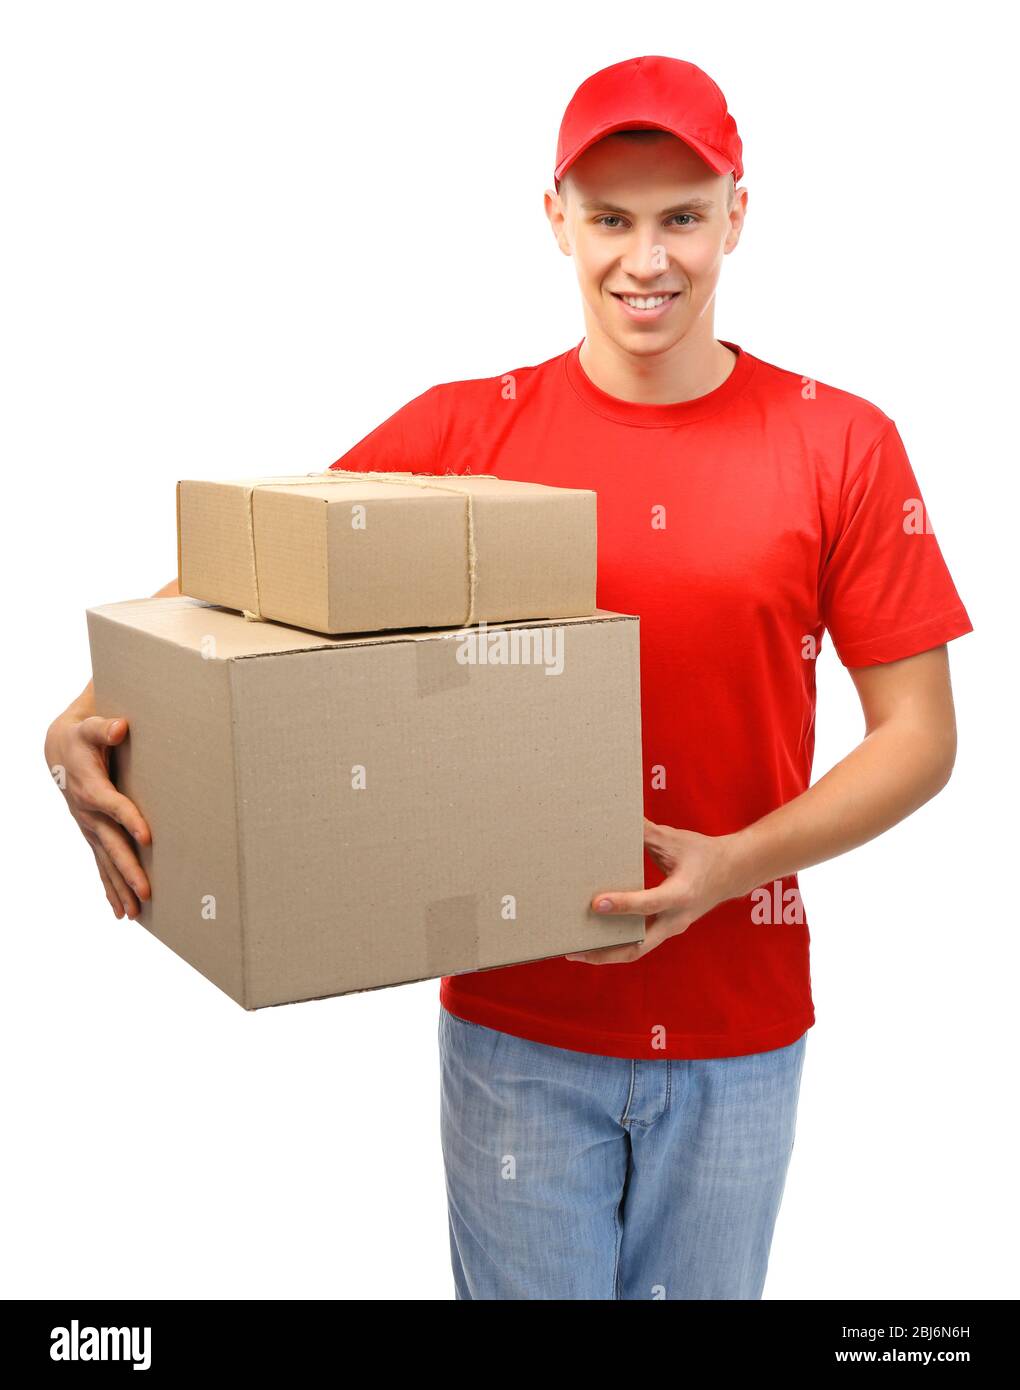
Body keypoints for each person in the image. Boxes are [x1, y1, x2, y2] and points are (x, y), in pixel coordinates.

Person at [45, 56, 973, 1300]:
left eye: (683, 217)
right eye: (611, 219)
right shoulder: (463, 434)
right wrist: (77, 719)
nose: (647, 260)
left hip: (740, 1028)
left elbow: (918, 733)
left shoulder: (840, 441)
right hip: (517, 1034)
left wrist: (729, 868)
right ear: (556, 219)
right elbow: (239, 592)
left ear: (738, 216)